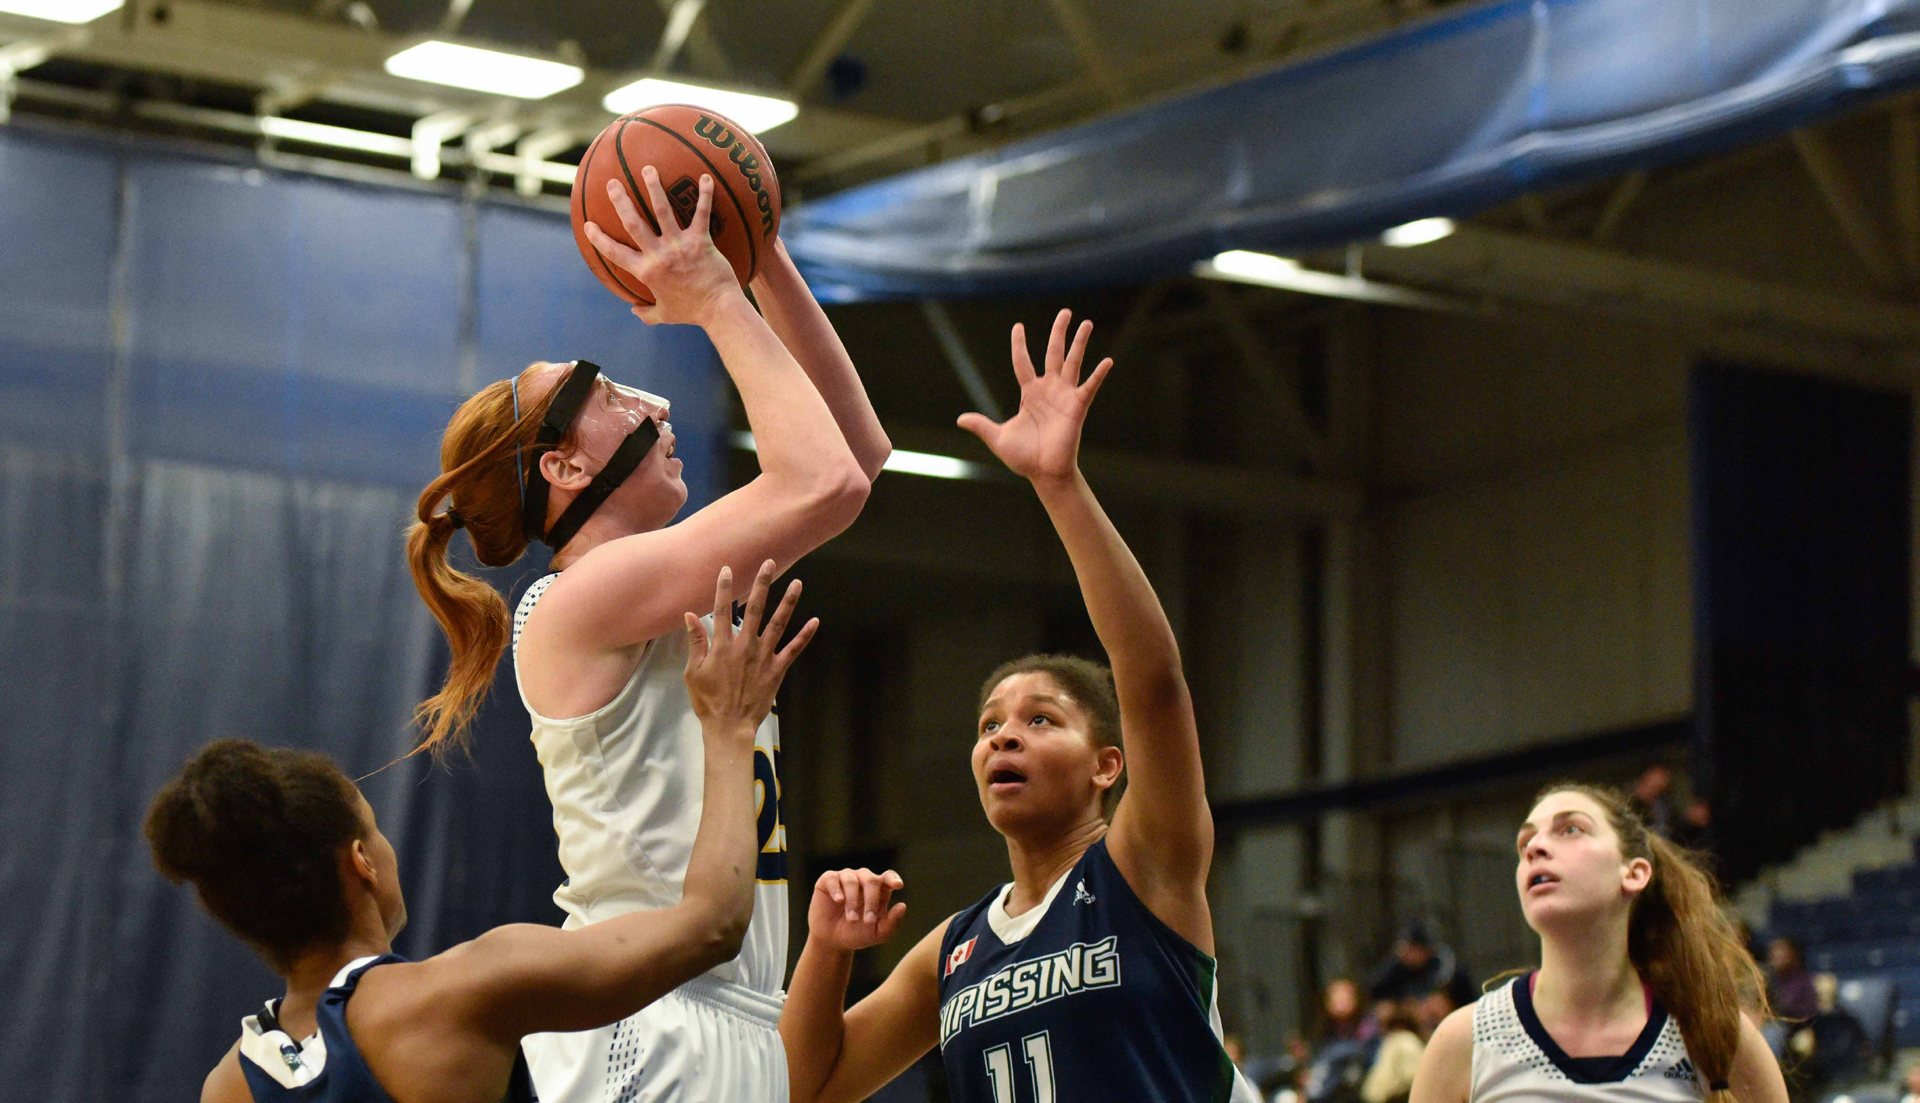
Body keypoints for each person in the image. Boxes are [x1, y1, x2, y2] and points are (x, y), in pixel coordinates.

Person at [405, 168, 888, 1102]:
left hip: (737, 1012)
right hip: (650, 1014)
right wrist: (712, 295)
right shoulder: (586, 596)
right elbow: (828, 480)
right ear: (564, 462)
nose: (655, 404)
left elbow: (854, 454)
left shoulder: (660, 586)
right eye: (607, 391)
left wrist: (761, 259)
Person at [776, 310, 1260, 1103]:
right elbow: (805, 1089)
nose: (1005, 736)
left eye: (1041, 718)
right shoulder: (956, 948)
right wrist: (826, 949)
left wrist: (1058, 486)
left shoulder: (1144, 867)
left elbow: (1151, 677)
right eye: (990, 724)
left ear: (1110, 763)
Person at [147, 562, 813, 1103]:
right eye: (375, 830)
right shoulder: (462, 992)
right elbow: (713, 924)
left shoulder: (230, 1084)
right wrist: (729, 729)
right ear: (361, 863)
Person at [1409, 784, 1788, 1103]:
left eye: (1570, 829)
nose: (1534, 847)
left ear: (1634, 872)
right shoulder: (1463, 1041)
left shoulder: (1717, 1035)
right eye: (1526, 839)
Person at [1367, 922, 1477, 1009]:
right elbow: (1373, 989)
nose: (1404, 954)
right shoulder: (1399, 968)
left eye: (1410, 949)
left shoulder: (1446, 967)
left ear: (1423, 949)